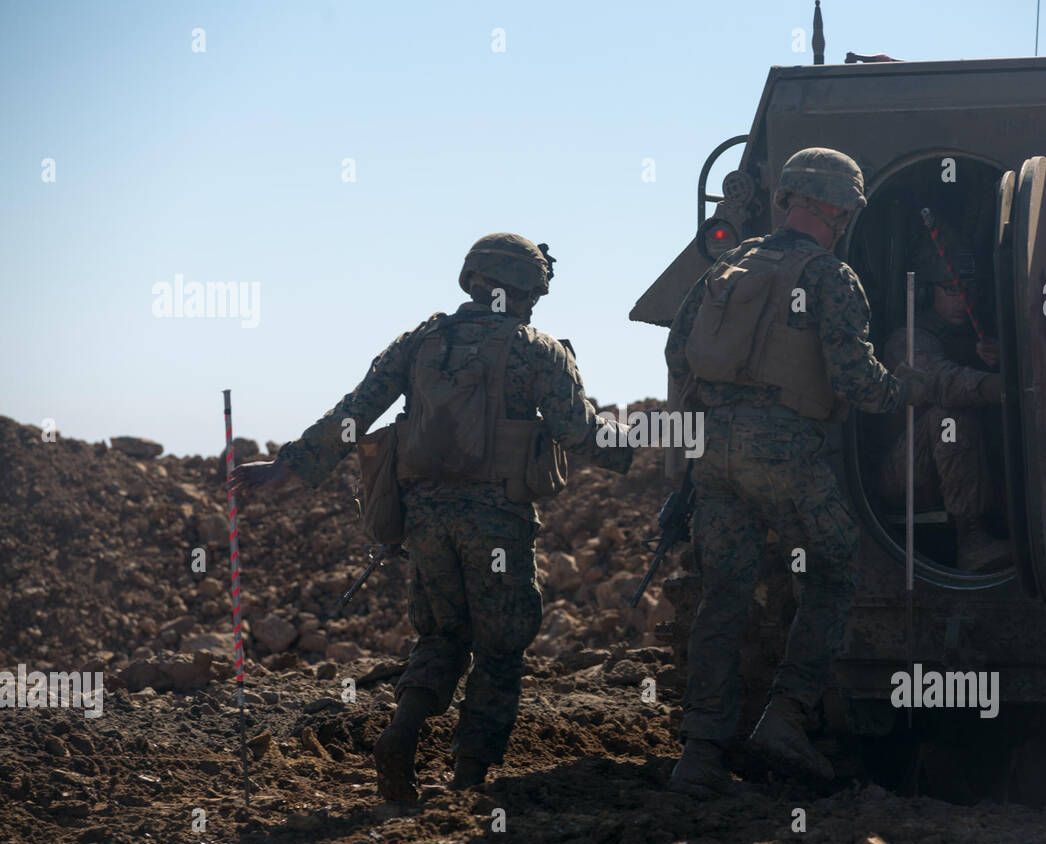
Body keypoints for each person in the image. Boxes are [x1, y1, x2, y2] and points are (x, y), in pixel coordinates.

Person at [227, 234, 632, 800]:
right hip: (498, 522)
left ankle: (402, 734)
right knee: (499, 645)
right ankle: (468, 778)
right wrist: (647, 443)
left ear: (473, 280)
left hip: (424, 519)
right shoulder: (537, 350)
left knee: (442, 636)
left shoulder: (421, 342)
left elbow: (356, 411)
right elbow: (581, 434)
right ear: (525, 292)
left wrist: (287, 465)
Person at [663, 147, 932, 797]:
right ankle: (785, 716)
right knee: (836, 567)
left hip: (715, 452)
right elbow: (856, 381)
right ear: (838, 210)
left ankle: (700, 753)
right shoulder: (831, 276)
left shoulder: (726, 268)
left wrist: (698, 447)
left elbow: (678, 353)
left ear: (788, 199)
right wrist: (910, 389)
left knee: (723, 593)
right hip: (783, 451)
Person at [878, 230, 1011, 571]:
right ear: (926, 292)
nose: (963, 299)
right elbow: (940, 381)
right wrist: (997, 385)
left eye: (969, 289)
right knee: (951, 415)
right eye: (951, 289)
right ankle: (971, 538)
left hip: (953, 470)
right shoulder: (907, 339)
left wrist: (1002, 359)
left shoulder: (974, 339)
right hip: (906, 473)